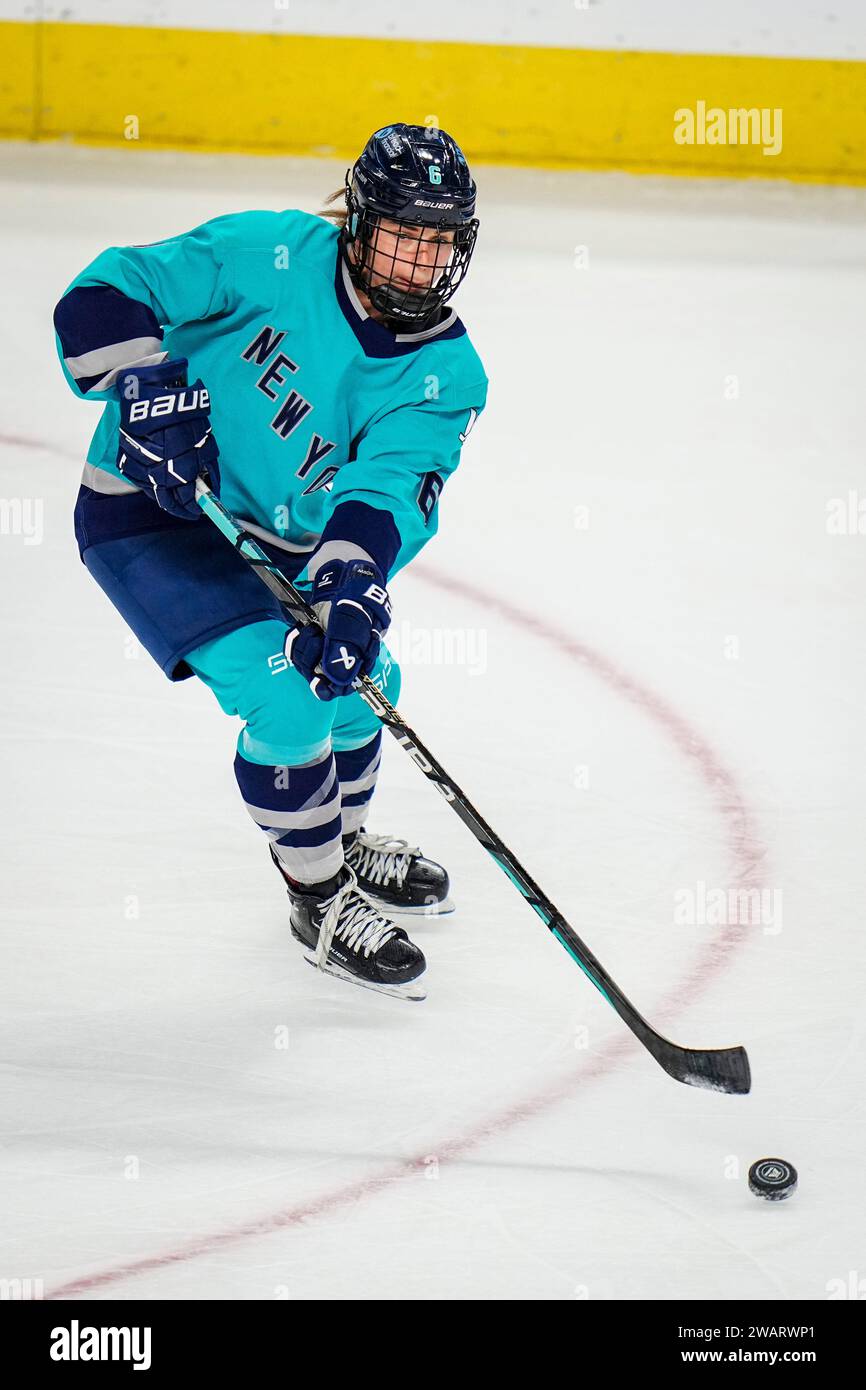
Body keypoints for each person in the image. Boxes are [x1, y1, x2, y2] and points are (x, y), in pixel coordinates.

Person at [53, 123, 488, 1001]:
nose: (418, 262)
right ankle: (317, 898)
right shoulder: (267, 254)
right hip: (150, 518)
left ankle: (342, 842)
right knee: (288, 697)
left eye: (438, 243)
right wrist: (146, 383)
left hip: (287, 553)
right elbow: (108, 289)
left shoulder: (447, 376)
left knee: (366, 680)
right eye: (402, 235)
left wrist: (351, 585)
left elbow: (385, 491)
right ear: (358, 223)